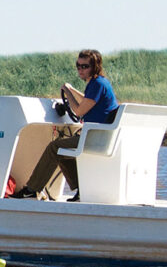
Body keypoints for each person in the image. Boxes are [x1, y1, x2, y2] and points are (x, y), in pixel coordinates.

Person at [15, 49, 120, 201]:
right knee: (61, 149)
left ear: (95, 66)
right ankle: (81, 190)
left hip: (96, 137)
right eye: (78, 66)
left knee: (54, 147)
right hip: (99, 135)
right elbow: (88, 100)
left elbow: (78, 111)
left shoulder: (97, 84)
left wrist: (67, 92)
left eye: (85, 66)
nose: (80, 69)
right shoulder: (99, 83)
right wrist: (72, 89)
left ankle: (32, 190)